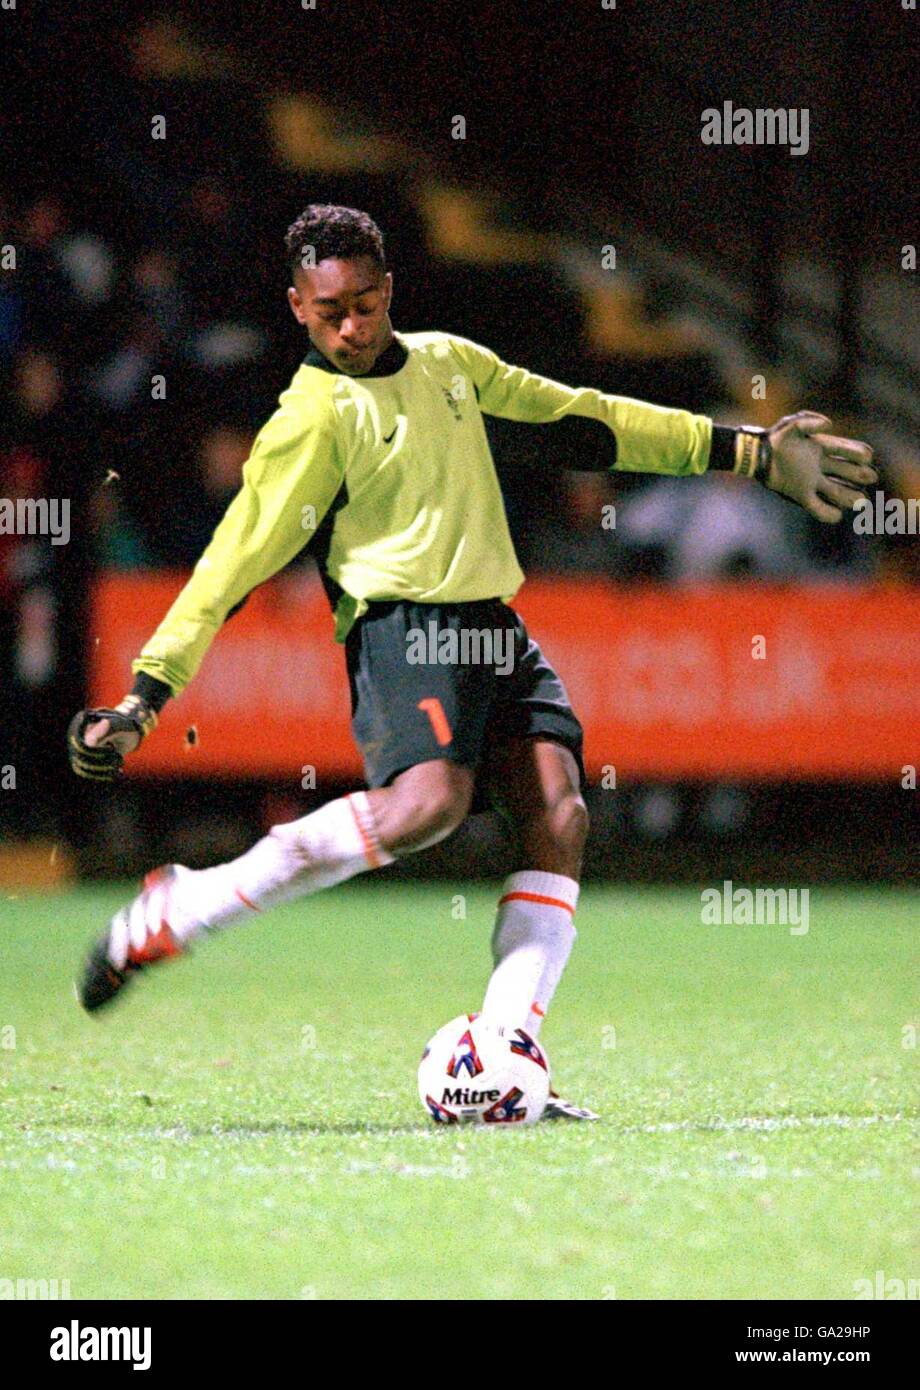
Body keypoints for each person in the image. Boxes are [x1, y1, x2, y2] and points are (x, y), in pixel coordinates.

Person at [67, 204, 878, 1121]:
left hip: (493, 625)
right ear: (297, 306)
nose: (351, 326)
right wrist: (147, 691)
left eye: (366, 304)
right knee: (430, 805)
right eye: (329, 310)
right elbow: (233, 559)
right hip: (401, 627)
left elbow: (586, 420)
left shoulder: (452, 363)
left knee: (560, 812)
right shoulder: (312, 417)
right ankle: (185, 905)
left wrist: (748, 451)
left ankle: (506, 1045)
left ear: (389, 292)